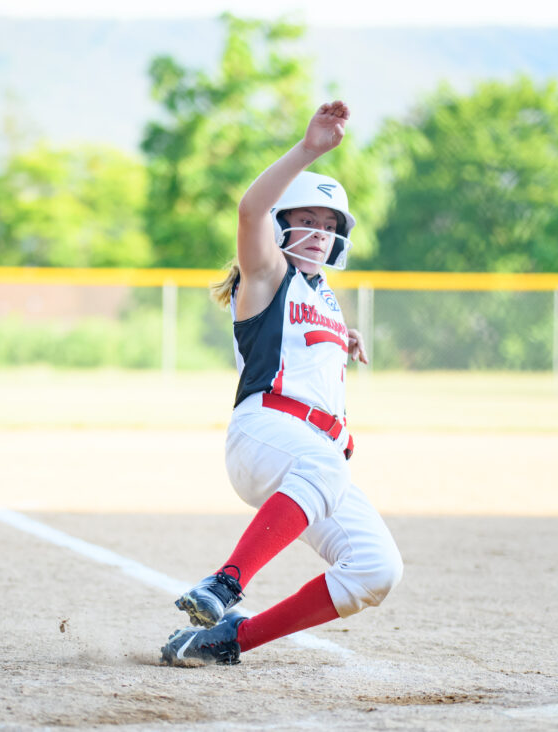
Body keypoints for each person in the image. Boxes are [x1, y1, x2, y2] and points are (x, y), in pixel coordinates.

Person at [159, 101, 403, 666]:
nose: (319, 232)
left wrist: (343, 335)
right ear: (283, 226)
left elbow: (306, 335)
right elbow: (250, 209)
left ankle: (229, 640)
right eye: (307, 220)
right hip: (265, 434)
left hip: (312, 458)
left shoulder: (324, 298)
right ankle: (224, 585)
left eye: (328, 225)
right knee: (325, 465)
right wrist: (310, 149)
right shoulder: (267, 275)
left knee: (377, 568)